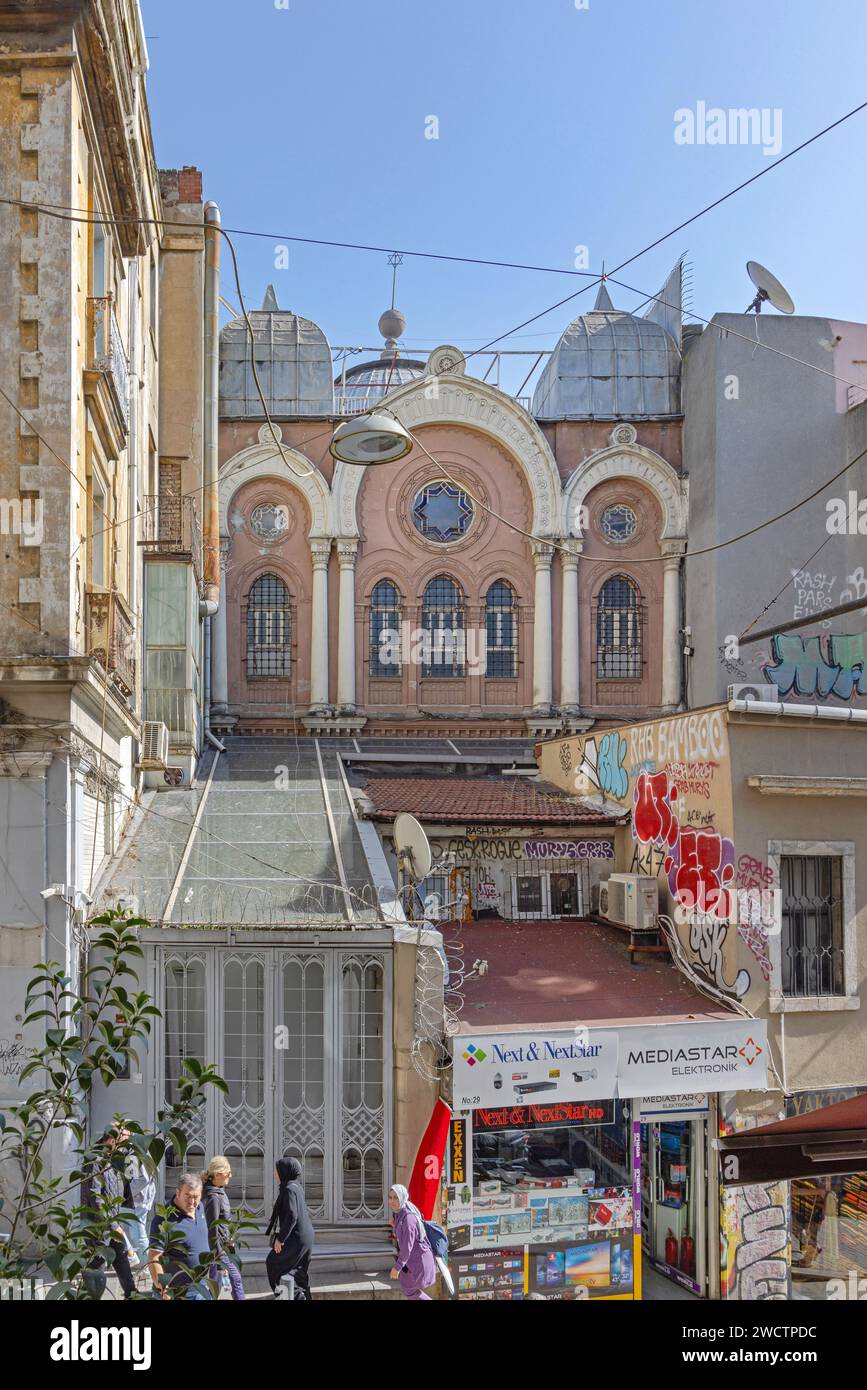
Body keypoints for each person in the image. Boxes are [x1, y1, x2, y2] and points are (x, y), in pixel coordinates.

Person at [82, 1125, 137, 1300]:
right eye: (124, 1143)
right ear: (112, 1141)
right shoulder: (95, 1161)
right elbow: (95, 1198)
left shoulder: (115, 1160)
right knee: (94, 1272)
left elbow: (120, 1189)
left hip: (113, 1226)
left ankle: (132, 1295)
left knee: (125, 1270)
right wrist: (113, 1225)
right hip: (98, 1228)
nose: (127, 1148)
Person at [148, 1173, 212, 1300]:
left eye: (196, 1197)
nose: (192, 1202)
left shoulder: (200, 1208)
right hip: (176, 1293)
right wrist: (163, 1289)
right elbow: (154, 1257)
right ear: (178, 1193)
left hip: (201, 1288)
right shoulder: (164, 1220)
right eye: (187, 1196)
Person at [265, 1158, 315, 1300]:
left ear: (284, 1171)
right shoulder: (296, 1186)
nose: (275, 1172)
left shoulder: (288, 1189)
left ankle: (284, 1296)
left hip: (297, 1238)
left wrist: (280, 1239)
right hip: (305, 1236)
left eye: (277, 1169)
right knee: (299, 1271)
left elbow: (292, 1215)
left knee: (273, 1263)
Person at [201, 1156, 245, 1301]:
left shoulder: (218, 1190)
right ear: (218, 1174)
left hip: (222, 1245)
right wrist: (219, 1255)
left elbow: (222, 1223)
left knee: (215, 1283)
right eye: (228, 1172)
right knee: (236, 1279)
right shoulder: (213, 1196)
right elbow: (212, 1227)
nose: (230, 1176)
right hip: (219, 1248)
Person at [388, 1184, 436, 1301]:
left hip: (419, 1261)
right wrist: (395, 1225)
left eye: (396, 1197)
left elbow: (407, 1246)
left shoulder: (408, 1218)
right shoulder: (401, 1214)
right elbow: (406, 1235)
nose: (392, 1201)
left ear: (403, 1197)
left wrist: (398, 1267)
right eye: (390, 1197)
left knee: (409, 1290)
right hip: (414, 1261)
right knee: (409, 1290)